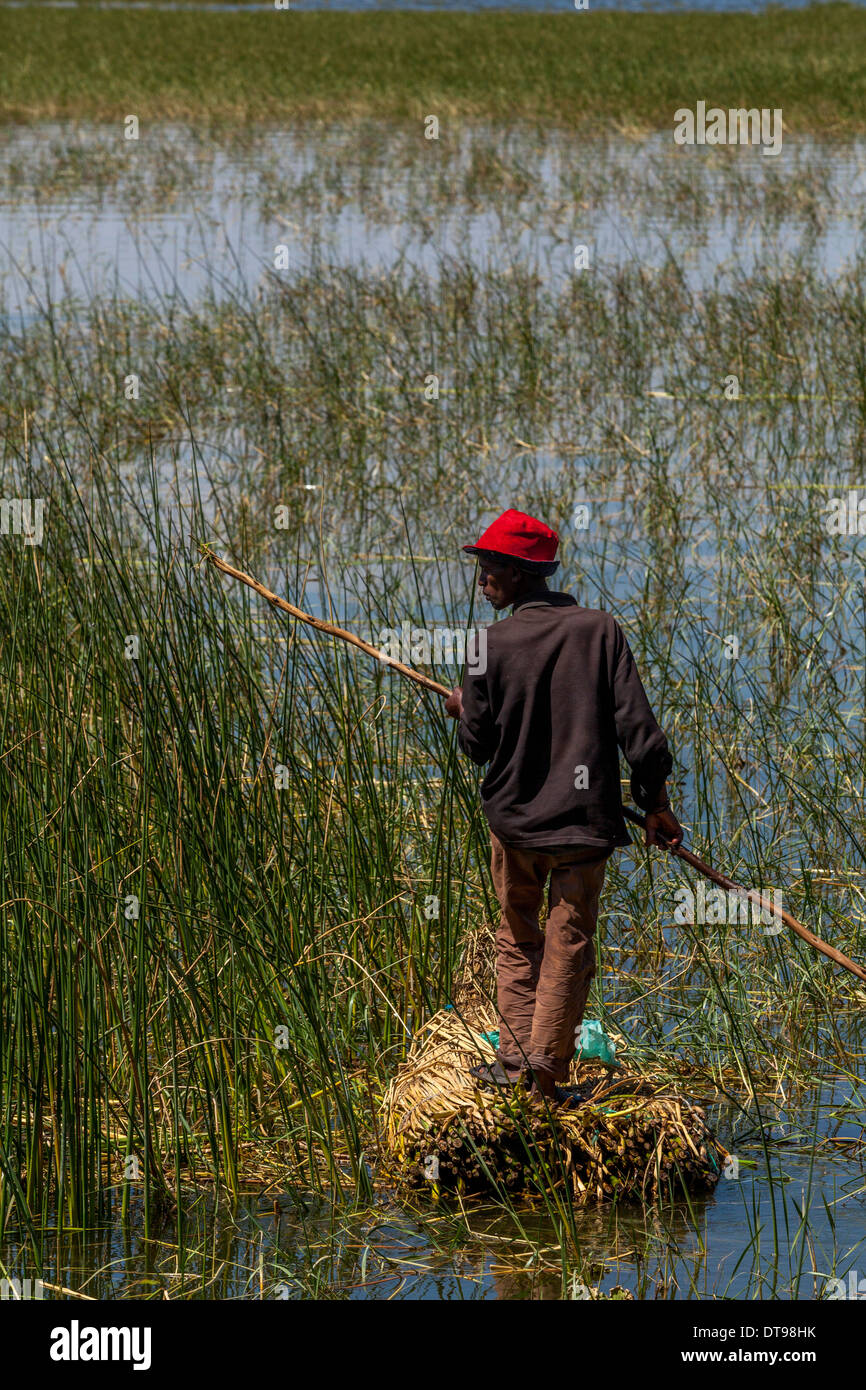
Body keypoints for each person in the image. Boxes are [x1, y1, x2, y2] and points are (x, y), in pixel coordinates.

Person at [444, 508, 683, 1105]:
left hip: (516, 824)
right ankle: (543, 1076)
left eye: (490, 567)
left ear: (523, 574)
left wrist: (462, 710)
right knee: (568, 940)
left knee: (520, 938)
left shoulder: (484, 646)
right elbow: (642, 738)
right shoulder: (600, 632)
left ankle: (520, 1064)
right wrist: (654, 805)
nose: (481, 580)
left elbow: (477, 747)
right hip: (582, 824)